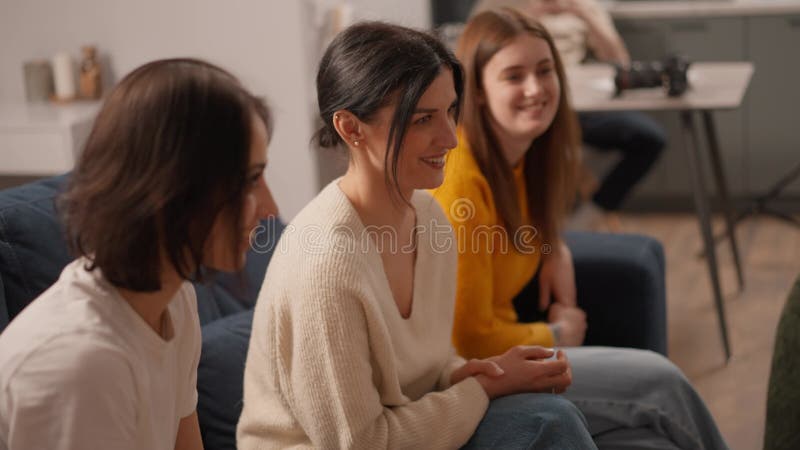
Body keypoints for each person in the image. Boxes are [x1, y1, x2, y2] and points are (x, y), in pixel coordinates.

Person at [238, 21, 598, 449]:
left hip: (409, 429)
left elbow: (427, 368)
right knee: (551, 422)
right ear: (351, 128)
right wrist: (482, 389)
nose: (449, 138)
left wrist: (470, 373)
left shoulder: (428, 218)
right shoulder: (325, 266)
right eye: (424, 119)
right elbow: (361, 444)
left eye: (450, 111)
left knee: (553, 414)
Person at [433, 9, 729, 449]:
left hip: (507, 355)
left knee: (651, 440)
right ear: (477, 92)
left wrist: (554, 246)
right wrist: (557, 335)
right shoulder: (461, 185)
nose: (535, 89)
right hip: (475, 376)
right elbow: (470, 340)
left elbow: (524, 223)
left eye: (544, 70)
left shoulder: (524, 155)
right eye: (514, 76)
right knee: (660, 383)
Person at [0, 58, 278, 449]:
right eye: (249, 180)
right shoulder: (78, 365)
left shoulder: (175, 301)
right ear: (171, 188)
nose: (270, 210)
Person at [474, 0, 667, 230]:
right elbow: (474, 54)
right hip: (525, 111)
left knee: (648, 137)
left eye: (545, 69)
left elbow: (620, 62)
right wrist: (523, 20)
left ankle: (588, 215)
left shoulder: (583, 6)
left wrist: (585, 15)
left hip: (579, 108)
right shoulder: (498, 6)